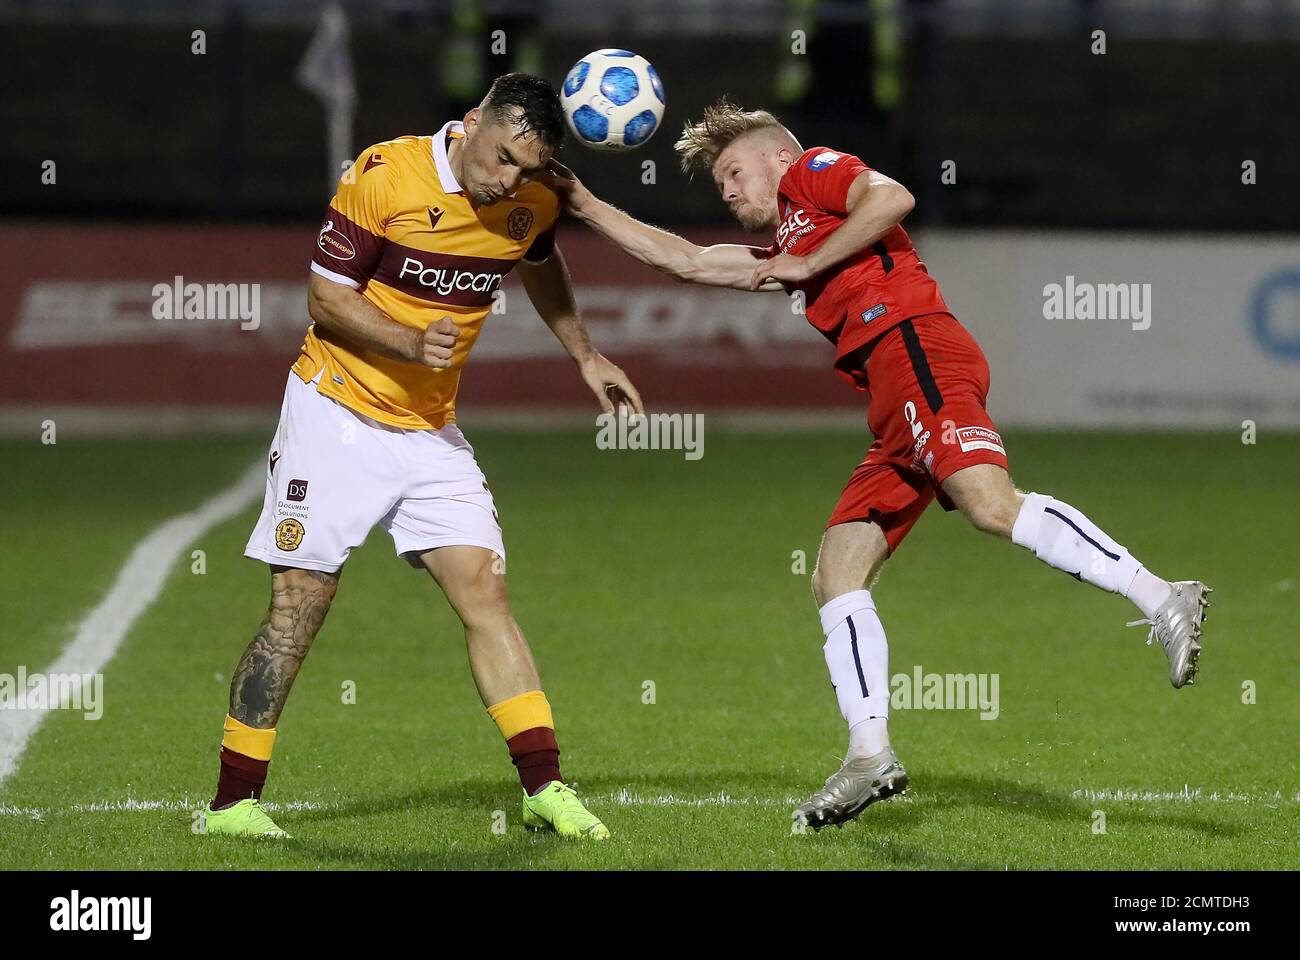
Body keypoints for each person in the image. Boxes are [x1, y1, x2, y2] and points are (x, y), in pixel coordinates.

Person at [541, 98, 1210, 830]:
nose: (726, 191)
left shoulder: (813, 173)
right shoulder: (787, 242)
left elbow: (893, 197)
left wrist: (810, 260)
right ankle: (869, 754)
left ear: (777, 157)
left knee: (990, 504)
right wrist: (584, 203)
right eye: (719, 183)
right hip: (894, 404)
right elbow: (687, 261)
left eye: (733, 172)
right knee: (835, 575)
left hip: (917, 348)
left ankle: (1162, 595)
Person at [205, 74, 642, 840]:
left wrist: (584, 353)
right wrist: (410, 341)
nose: (507, 181)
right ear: (472, 121)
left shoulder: (533, 196)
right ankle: (232, 805)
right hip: (334, 413)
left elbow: (539, 260)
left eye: (525, 169)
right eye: (501, 157)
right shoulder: (385, 173)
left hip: (429, 428)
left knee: (485, 591)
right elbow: (325, 299)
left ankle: (545, 788)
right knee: (301, 602)